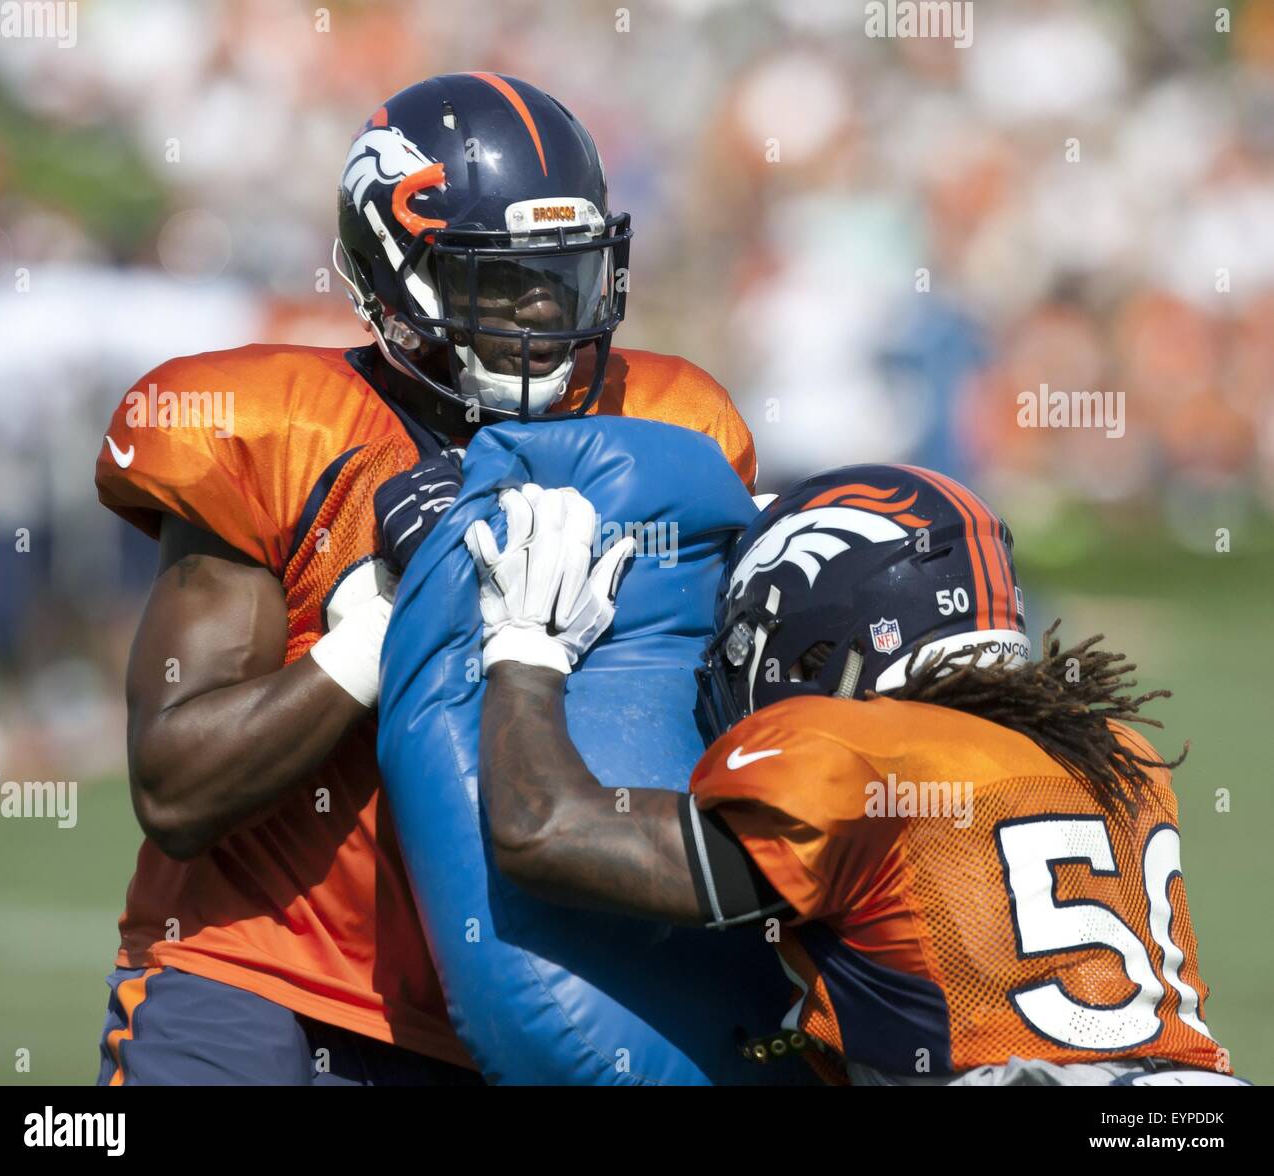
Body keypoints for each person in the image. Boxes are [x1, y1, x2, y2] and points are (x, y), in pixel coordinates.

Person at [93, 73, 756, 1086]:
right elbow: (175, 787)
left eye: (563, 275)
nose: (542, 313)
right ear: (390, 275)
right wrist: (384, 632)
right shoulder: (274, 430)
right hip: (262, 975)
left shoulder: (670, 424)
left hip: (534, 994)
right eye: (499, 282)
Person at [471, 467, 1238, 1086]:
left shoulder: (854, 757)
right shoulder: (1115, 752)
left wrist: (523, 651)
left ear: (815, 644)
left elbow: (543, 832)